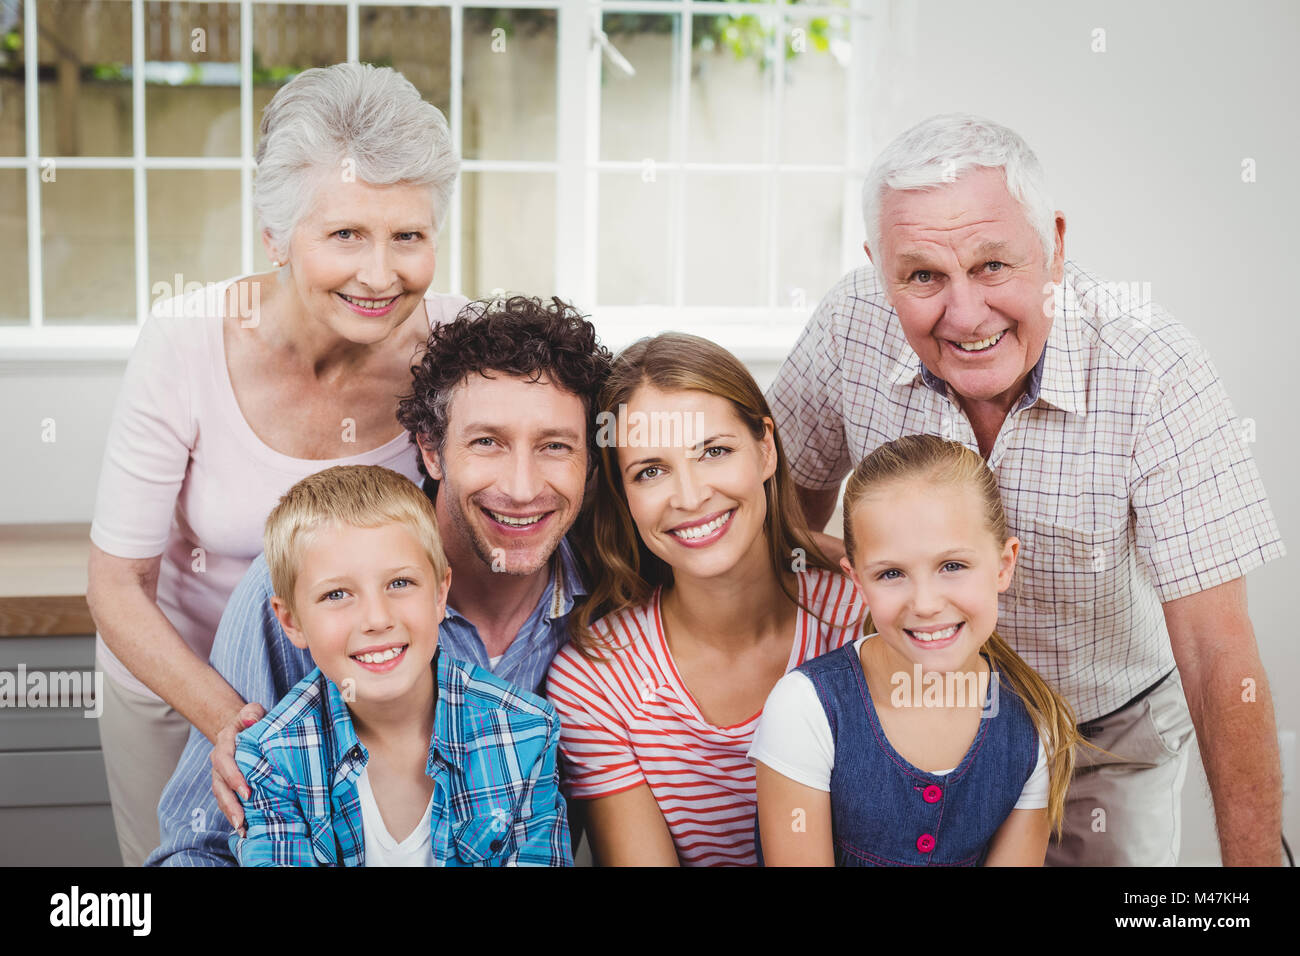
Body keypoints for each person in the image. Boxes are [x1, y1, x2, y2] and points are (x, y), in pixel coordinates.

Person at [767, 113, 1287, 865]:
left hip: (1103, 727)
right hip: (908, 711)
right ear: (879, 266)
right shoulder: (852, 322)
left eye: (992, 267)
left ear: (1057, 246)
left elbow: (1217, 654)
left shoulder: (1154, 369)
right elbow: (781, 532)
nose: (966, 313)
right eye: (922, 275)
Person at [85, 62, 464, 866]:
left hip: (367, 681)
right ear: (273, 236)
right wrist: (232, 723)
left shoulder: (459, 348)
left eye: (409, 236)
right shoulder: (187, 338)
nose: (379, 272)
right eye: (344, 235)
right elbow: (116, 584)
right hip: (179, 677)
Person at [149, 294, 611, 865]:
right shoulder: (309, 580)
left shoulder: (614, 600)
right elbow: (199, 848)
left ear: (589, 460)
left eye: (555, 446)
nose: (521, 487)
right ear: (431, 450)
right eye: (486, 442)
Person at [545, 333, 864, 867]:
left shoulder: (864, 620)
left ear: (765, 448)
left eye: (714, 452)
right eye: (651, 471)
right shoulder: (595, 679)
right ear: (624, 496)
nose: (690, 497)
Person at [752, 435, 1098, 865]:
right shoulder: (805, 710)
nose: (926, 603)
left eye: (952, 566)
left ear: (1003, 565)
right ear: (857, 581)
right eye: (892, 573)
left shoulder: (1034, 727)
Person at [232, 465, 570, 866]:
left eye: (399, 583)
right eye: (337, 593)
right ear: (292, 622)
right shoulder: (271, 757)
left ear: (440, 593)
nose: (376, 619)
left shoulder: (526, 732)